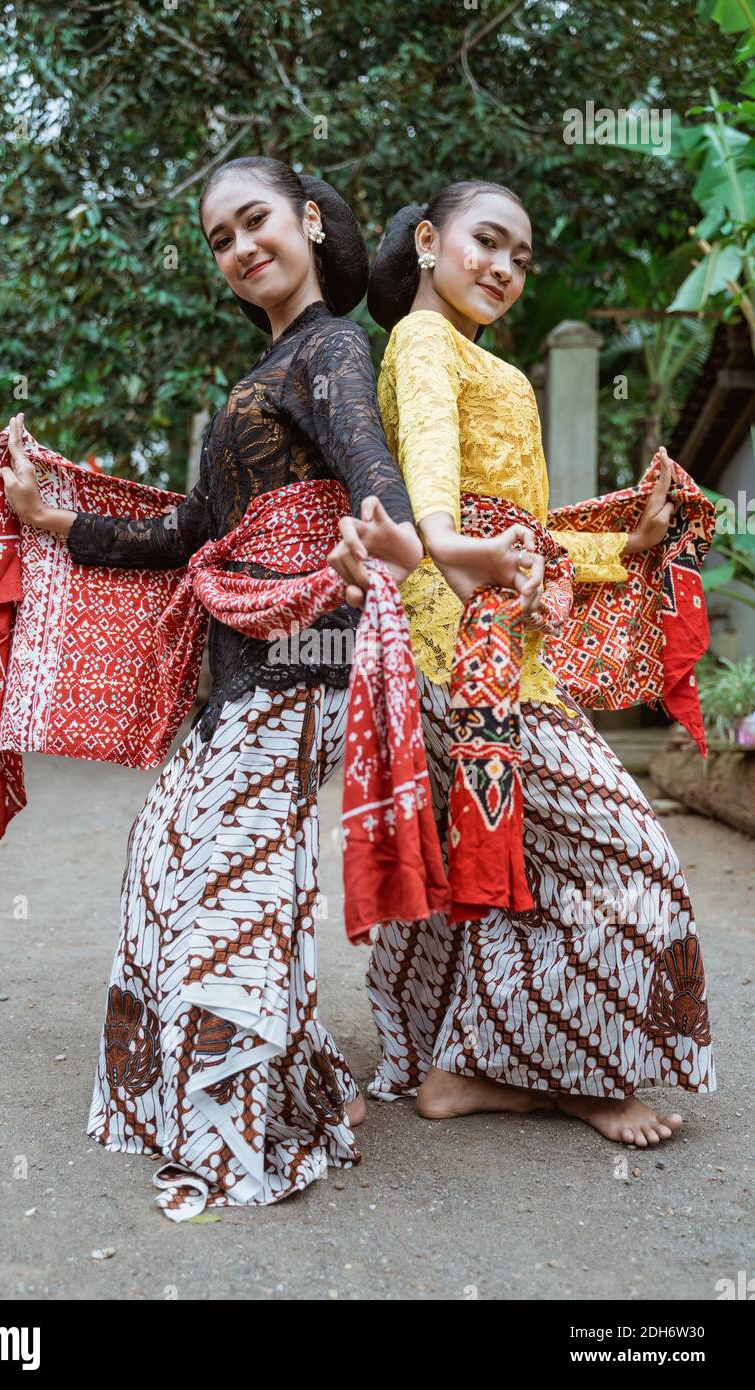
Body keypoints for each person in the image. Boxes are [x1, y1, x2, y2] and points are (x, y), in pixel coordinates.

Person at [0, 158, 541, 1219]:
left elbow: (371, 470)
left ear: (305, 221)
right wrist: (53, 517)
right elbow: (192, 531)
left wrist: (381, 543)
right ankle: (251, 1087)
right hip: (233, 665)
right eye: (219, 239)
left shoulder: (333, 345)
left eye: (257, 223)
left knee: (233, 884)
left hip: (298, 658)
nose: (242, 248)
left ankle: (239, 1123)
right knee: (166, 861)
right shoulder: (265, 368)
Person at [357, 180, 715, 1148]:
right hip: (464, 655)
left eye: (521, 256)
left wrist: (627, 546)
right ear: (429, 242)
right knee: (623, 857)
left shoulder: (487, 368)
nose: (505, 268)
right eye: (487, 242)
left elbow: (522, 536)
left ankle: (456, 1072)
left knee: (502, 867)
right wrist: (442, 540)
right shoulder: (422, 343)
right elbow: (436, 493)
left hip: (493, 644)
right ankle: (572, 1068)